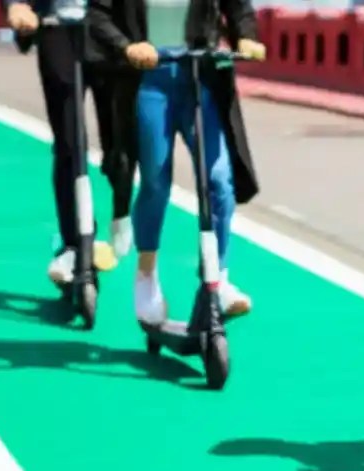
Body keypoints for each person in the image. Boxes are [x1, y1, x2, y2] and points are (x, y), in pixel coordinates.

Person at [87, 0, 265, 325]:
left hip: (200, 78)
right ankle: (146, 276)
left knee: (218, 179)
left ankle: (217, 278)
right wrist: (127, 47)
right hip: (147, 82)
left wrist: (245, 36)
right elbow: (98, 14)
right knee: (155, 179)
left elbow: (238, 8)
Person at [2, 0, 136, 286]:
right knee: (69, 144)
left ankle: (121, 213)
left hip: (114, 32)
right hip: (58, 29)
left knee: (121, 146)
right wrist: (16, 6)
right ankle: (73, 243)